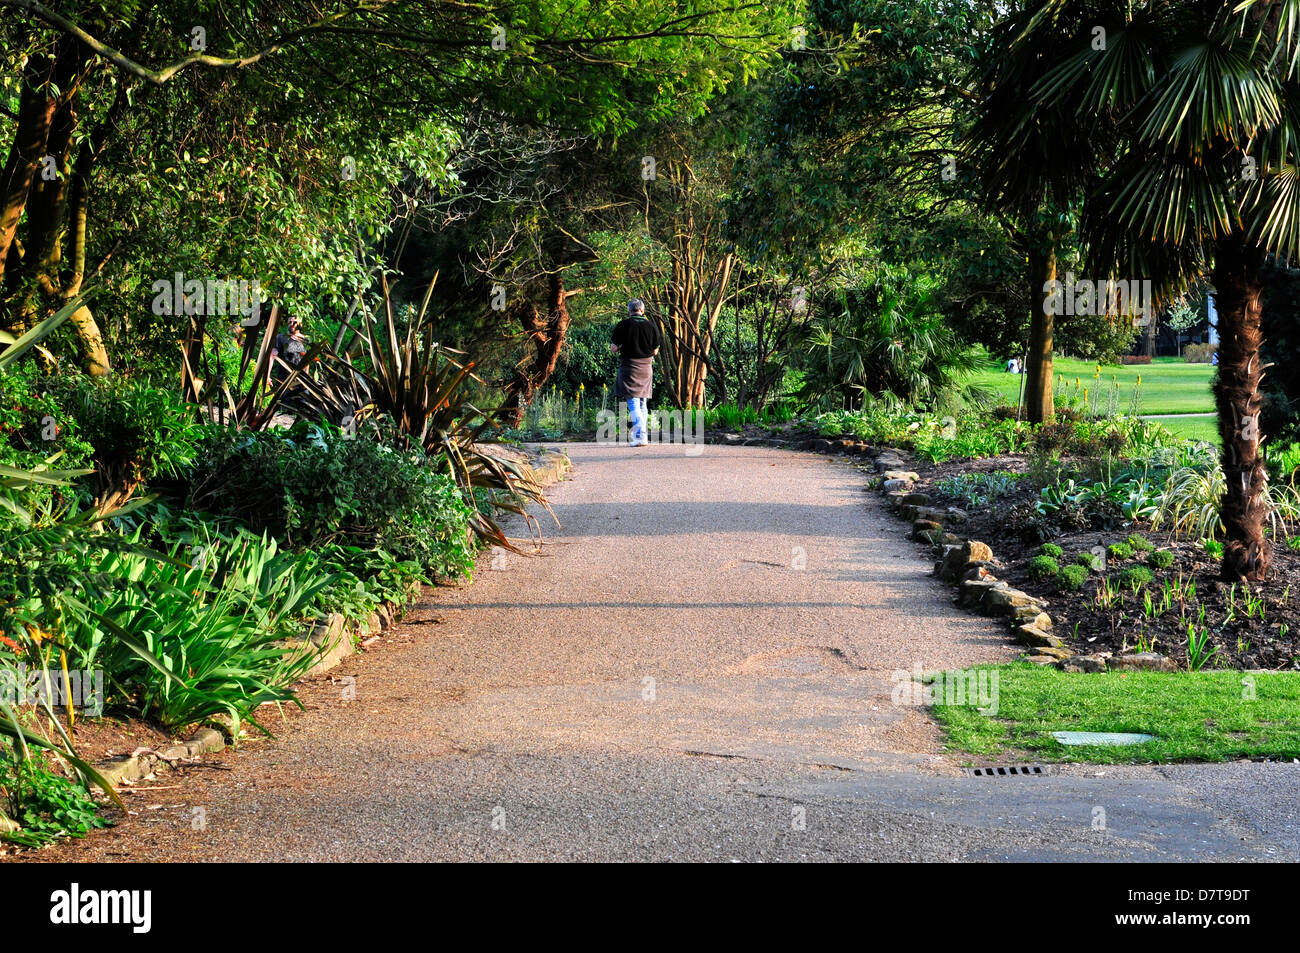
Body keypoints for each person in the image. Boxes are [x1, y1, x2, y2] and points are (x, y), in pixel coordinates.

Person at [610, 299, 660, 447]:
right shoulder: (651, 326)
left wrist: (621, 346)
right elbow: (655, 351)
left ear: (629, 311)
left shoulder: (623, 325)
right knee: (643, 402)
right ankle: (641, 435)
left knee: (633, 402)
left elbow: (613, 348)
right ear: (642, 311)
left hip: (629, 367)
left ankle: (641, 437)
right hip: (646, 368)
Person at [270, 313, 308, 382]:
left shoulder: (305, 340)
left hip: (300, 380)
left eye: (295, 322)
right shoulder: (280, 337)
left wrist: (306, 379)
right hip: (284, 380)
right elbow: (272, 356)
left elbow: (307, 361)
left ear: (300, 324)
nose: (292, 324)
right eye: (290, 322)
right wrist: (268, 376)